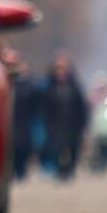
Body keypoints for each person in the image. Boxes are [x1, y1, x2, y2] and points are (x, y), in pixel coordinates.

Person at [40, 52, 89, 180]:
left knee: (72, 150)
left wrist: (82, 125)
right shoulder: (49, 87)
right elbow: (45, 108)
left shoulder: (75, 87)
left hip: (72, 126)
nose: (60, 72)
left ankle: (70, 170)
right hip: (55, 126)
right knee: (56, 149)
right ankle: (59, 171)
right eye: (58, 68)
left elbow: (82, 108)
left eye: (63, 68)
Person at [12, 61, 41, 181]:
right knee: (14, 147)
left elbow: (36, 105)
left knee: (25, 147)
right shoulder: (12, 85)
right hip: (13, 120)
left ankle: (22, 170)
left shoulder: (32, 86)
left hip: (26, 121)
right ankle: (16, 170)